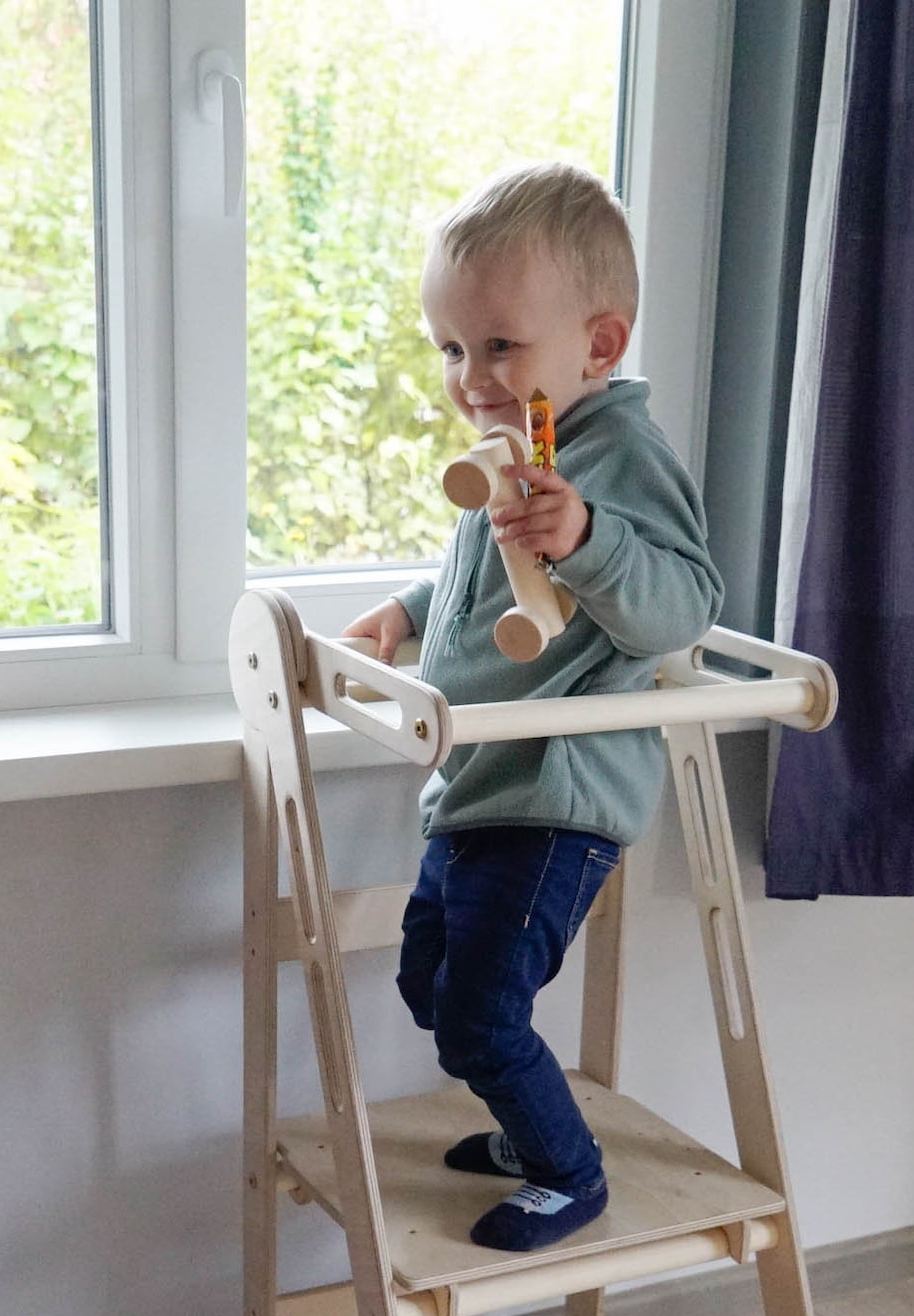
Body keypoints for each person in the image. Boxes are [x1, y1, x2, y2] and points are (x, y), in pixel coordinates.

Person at [344, 161, 723, 1253]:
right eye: (451, 350)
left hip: (556, 794)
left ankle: (570, 1170)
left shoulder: (619, 457)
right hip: (475, 781)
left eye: (498, 346)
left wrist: (589, 535)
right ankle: (526, 1123)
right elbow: (489, 584)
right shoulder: (516, 450)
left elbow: (681, 606)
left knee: (479, 1013)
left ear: (598, 346)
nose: (470, 377)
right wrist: (408, 613)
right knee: (429, 983)